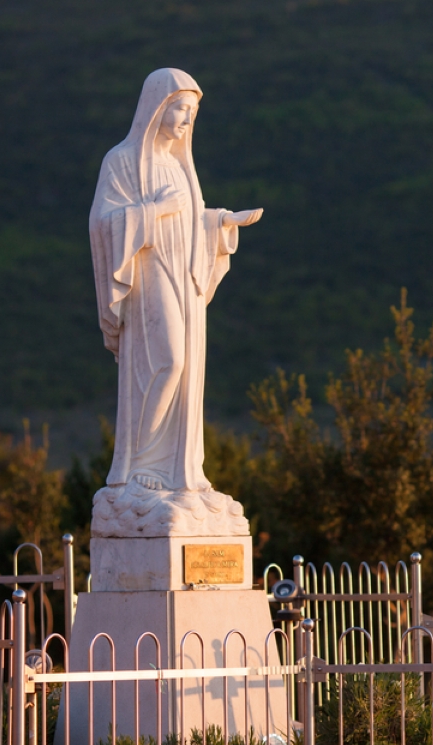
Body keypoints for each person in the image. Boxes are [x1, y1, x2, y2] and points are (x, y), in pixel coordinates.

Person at [89, 68, 261, 499]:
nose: (187, 120)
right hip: (148, 277)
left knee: (187, 371)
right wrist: (153, 212)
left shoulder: (182, 168)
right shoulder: (122, 161)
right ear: (157, 108)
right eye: (181, 109)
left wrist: (220, 223)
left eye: (192, 113)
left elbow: (189, 222)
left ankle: (177, 469)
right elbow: (103, 223)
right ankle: (143, 463)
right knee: (170, 361)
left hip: (183, 277)